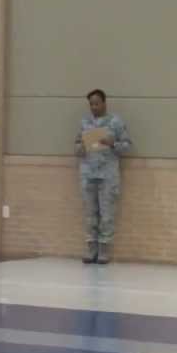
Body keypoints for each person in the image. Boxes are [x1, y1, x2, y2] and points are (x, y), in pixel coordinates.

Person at [74, 89, 132, 264]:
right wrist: (81, 148)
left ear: (104, 103)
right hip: (88, 173)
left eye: (97, 103)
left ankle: (104, 251)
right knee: (90, 214)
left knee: (106, 214)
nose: (94, 107)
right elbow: (76, 146)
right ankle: (91, 249)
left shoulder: (115, 122)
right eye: (91, 104)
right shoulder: (85, 123)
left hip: (107, 175)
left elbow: (127, 146)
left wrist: (112, 143)